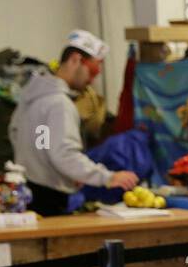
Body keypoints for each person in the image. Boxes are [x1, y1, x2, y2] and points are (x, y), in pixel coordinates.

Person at [9, 30, 139, 215]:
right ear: (75, 60)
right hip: (51, 199)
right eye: (92, 71)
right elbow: (64, 153)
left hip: (28, 192)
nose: (92, 80)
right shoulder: (59, 104)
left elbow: (22, 136)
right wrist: (108, 177)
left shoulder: (32, 98)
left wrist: (65, 171)